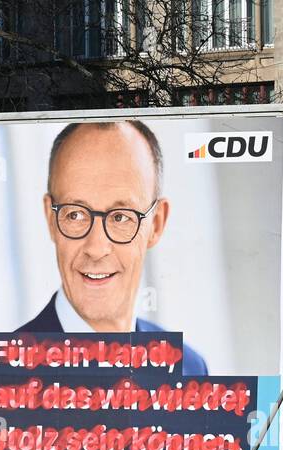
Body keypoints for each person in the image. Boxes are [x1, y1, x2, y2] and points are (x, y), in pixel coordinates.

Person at [15, 120, 208, 375]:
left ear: (156, 224)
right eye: (75, 215)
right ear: (50, 220)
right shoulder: (8, 371)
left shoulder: (190, 368)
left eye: (120, 217)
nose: (96, 248)